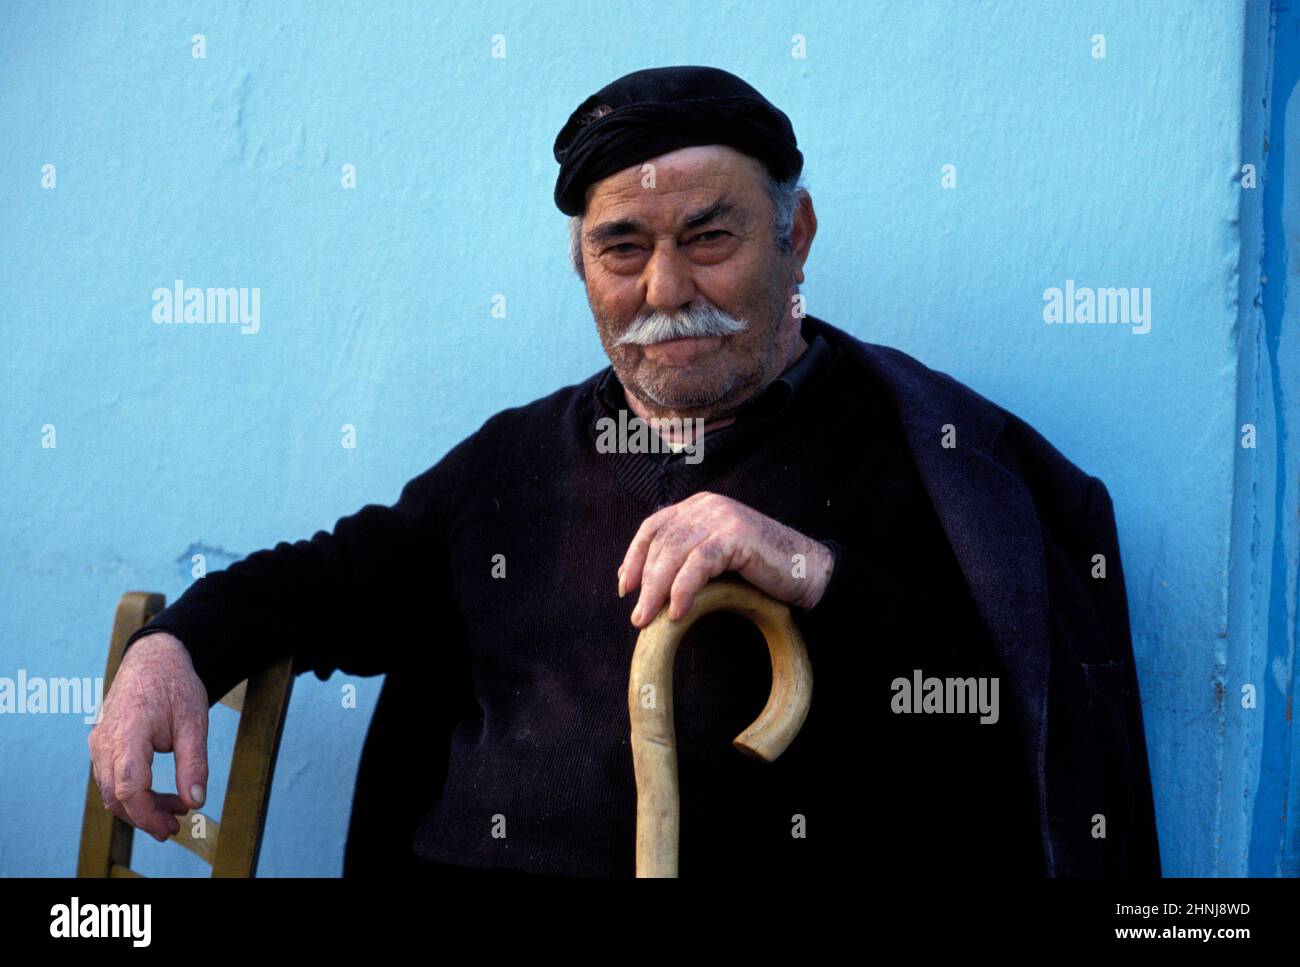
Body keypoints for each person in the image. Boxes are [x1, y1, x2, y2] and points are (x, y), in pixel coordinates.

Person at [88, 65, 1160, 878]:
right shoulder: (515, 459)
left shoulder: (933, 455)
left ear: (799, 235)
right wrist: (172, 648)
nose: (665, 286)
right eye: (622, 248)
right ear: (580, 265)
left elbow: (1010, 711)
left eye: (708, 237)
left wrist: (810, 566)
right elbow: (334, 579)